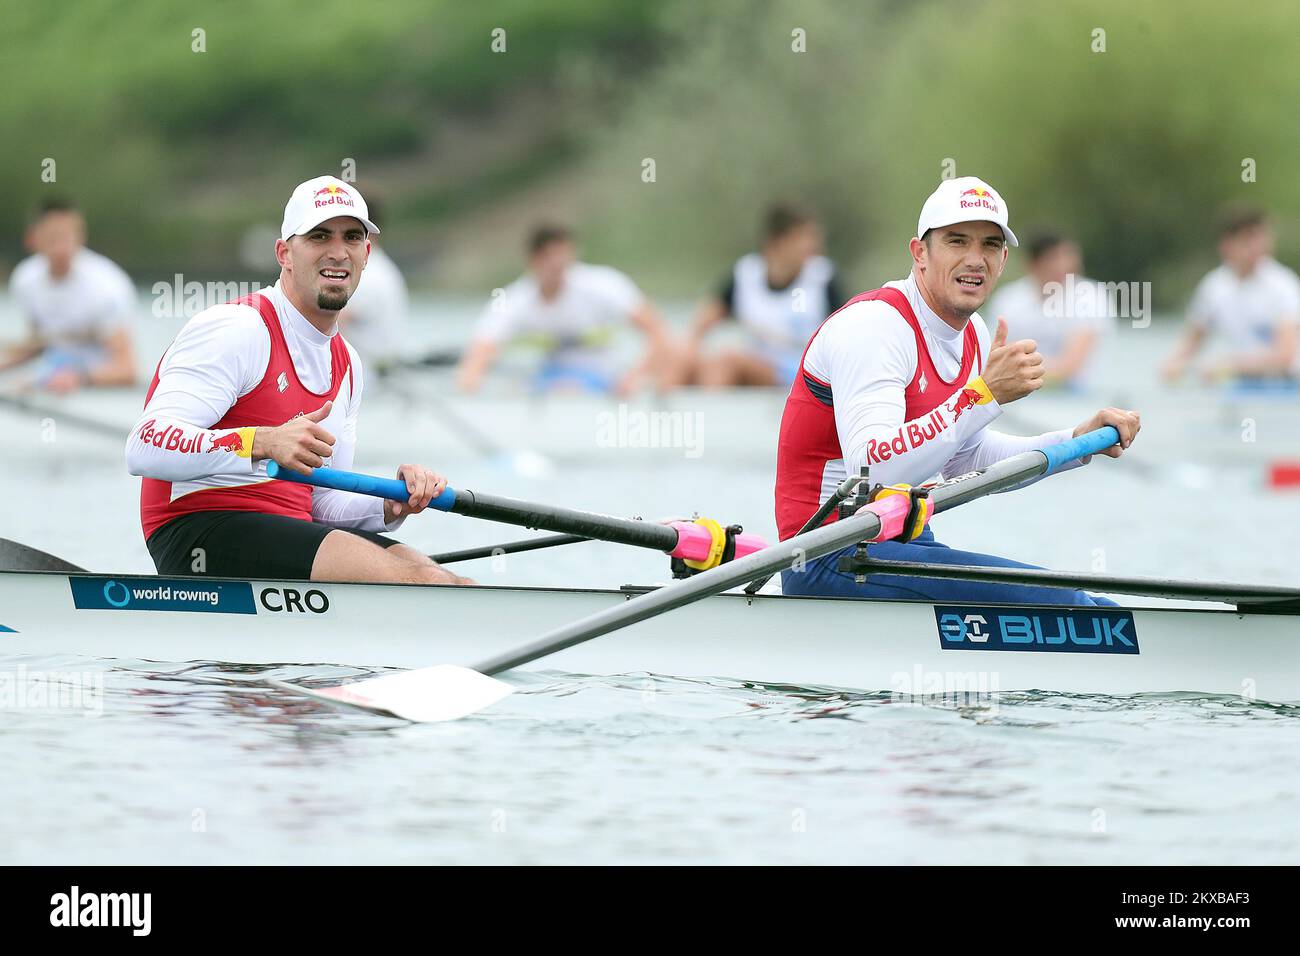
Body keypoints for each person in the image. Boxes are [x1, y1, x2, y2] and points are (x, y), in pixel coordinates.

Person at [774, 176, 1140, 605]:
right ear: (919, 254)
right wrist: (982, 395)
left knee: (1097, 603)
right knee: (1073, 606)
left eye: (989, 245)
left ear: (1004, 260)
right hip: (826, 553)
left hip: (899, 545)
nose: (975, 259)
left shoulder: (975, 334)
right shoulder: (874, 327)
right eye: (956, 241)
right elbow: (870, 471)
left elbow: (967, 458)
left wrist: (1076, 442)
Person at [126, 175, 470, 585]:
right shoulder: (237, 329)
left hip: (290, 531)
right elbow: (144, 445)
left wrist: (390, 504)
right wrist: (262, 441)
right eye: (319, 237)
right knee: (417, 583)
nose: (338, 252)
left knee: (446, 582)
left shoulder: (347, 365)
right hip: (199, 528)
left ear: (367, 254)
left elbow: (322, 502)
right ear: (284, 253)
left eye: (352, 238)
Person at [455, 224, 677, 394]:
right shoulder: (515, 298)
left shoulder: (603, 285)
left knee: (566, 390)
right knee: (512, 392)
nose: (558, 267)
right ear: (533, 260)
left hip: (604, 378)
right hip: (549, 379)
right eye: (550, 260)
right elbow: (481, 348)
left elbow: (657, 331)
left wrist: (635, 377)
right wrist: (469, 383)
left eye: (563, 258)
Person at [678, 203, 845, 388]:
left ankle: (710, 412)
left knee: (727, 361)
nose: (812, 246)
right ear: (775, 242)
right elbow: (698, 329)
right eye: (801, 238)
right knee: (689, 365)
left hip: (804, 373)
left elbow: (845, 340)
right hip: (756, 365)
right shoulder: (745, 275)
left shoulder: (823, 280)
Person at [1, 197, 137, 393]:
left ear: (81, 237)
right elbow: (39, 346)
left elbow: (128, 370)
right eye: (53, 237)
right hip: (53, 380)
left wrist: (79, 377)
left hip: (98, 392)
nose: (62, 247)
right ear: (32, 238)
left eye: (68, 236)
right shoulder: (25, 279)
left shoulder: (106, 287)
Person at [1162, 207, 1300, 384]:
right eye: (1249, 238)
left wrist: (1227, 365)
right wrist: (1173, 364)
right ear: (1226, 244)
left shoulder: (1283, 285)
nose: (1259, 246)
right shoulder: (1214, 285)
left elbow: (1284, 357)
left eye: (1262, 237)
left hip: (1288, 387)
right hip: (1244, 385)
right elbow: (1192, 341)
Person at [985, 231, 1113, 390]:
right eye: (1055, 258)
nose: (1065, 265)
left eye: (1068, 257)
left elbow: (1071, 366)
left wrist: (1014, 375)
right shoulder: (1008, 299)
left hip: (1075, 394)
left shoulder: (1089, 295)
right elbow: (995, 357)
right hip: (1019, 391)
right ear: (1033, 264)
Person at [337, 194, 408, 370]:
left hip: (369, 382)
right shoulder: (383, 267)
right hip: (382, 374)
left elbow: (333, 325)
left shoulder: (368, 275)